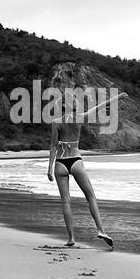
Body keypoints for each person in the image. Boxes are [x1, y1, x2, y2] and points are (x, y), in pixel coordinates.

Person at [46, 62, 114, 249]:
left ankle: (71, 238)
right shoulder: (81, 117)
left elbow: (53, 145)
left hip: (60, 163)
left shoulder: (56, 121)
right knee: (90, 197)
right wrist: (118, 98)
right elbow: (102, 105)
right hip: (75, 161)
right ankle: (100, 229)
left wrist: (50, 168)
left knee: (65, 200)